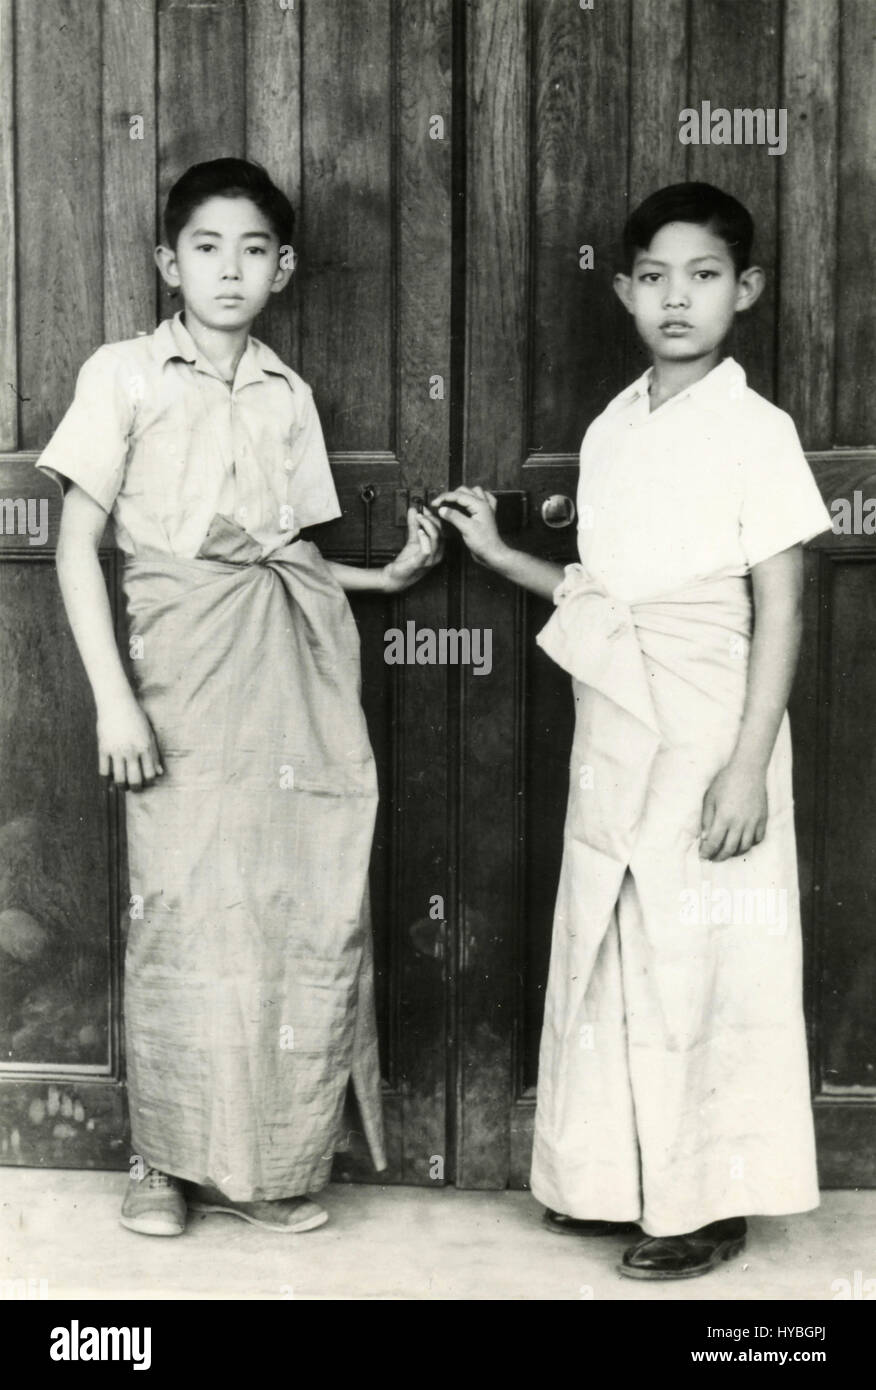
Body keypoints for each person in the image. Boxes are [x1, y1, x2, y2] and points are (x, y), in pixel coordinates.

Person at [36, 157, 443, 1237]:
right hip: (175, 680)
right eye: (207, 247)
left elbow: (286, 559)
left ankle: (264, 1163)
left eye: (254, 249)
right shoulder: (123, 373)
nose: (230, 268)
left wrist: (381, 577)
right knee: (178, 907)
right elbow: (77, 544)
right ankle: (159, 1160)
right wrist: (112, 703)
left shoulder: (287, 391)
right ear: (170, 261)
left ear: (285, 267)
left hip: (285, 677)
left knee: (282, 905)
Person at [432, 182, 832, 1280]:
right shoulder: (613, 425)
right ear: (621, 288)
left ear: (742, 290)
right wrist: (503, 556)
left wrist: (749, 765)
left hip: (713, 722)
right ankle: (613, 1176)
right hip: (617, 717)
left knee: (703, 949)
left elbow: (782, 604)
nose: (676, 298)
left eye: (704, 276)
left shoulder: (759, 428)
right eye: (653, 276)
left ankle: (708, 1199)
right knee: (612, 935)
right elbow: (601, 589)